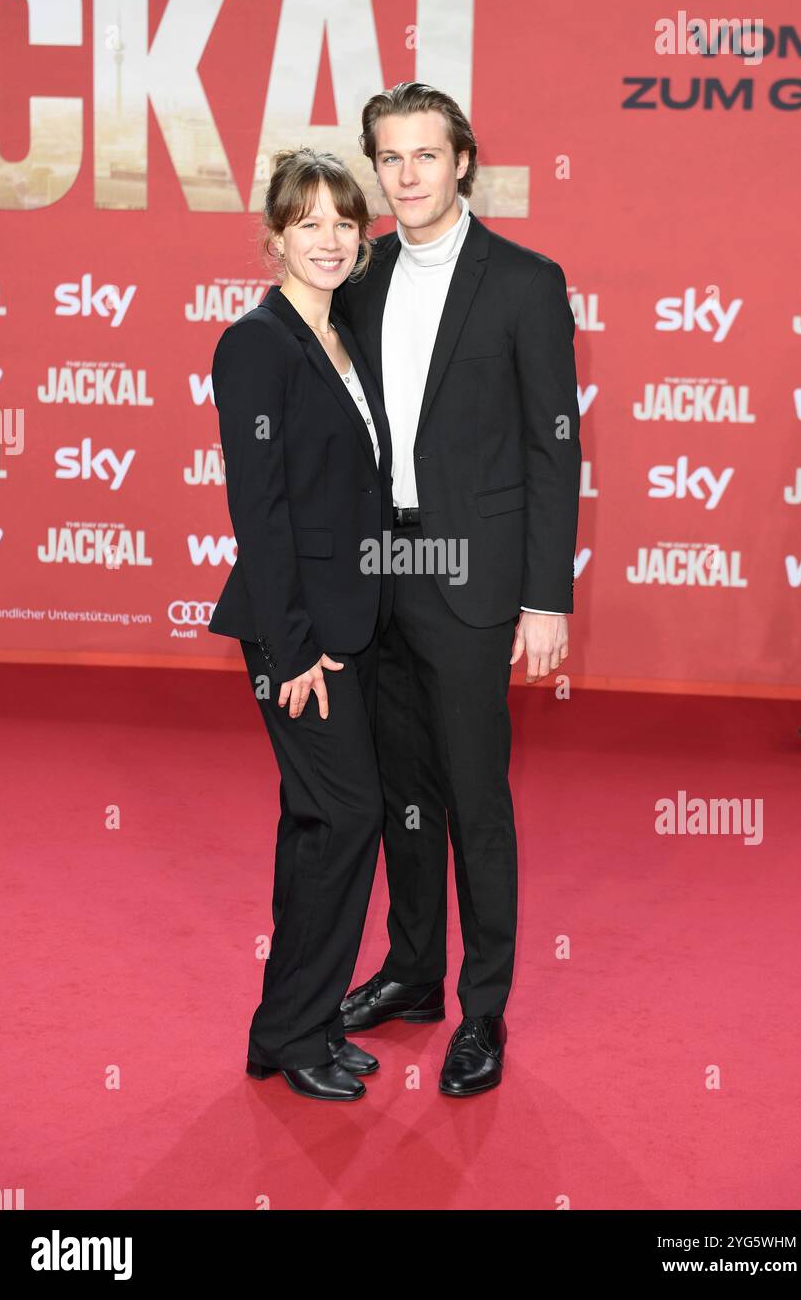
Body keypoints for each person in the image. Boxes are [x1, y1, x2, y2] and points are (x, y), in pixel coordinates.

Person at [331, 82, 581, 1097]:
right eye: (388, 158)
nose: (406, 176)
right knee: (401, 791)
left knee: (475, 796)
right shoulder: (359, 273)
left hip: (473, 577)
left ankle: (484, 1009)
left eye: (424, 156)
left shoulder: (524, 281)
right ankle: (412, 971)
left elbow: (552, 448)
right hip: (381, 567)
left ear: (462, 161)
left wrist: (545, 597)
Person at [207, 147, 394, 1101]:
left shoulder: (343, 336)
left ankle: (299, 1023)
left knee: (317, 821)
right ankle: (293, 1030)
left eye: (343, 222)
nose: (329, 239)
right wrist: (294, 648)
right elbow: (262, 511)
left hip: (349, 622)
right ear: (274, 235)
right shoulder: (257, 344)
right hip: (298, 635)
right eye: (308, 222)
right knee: (351, 814)